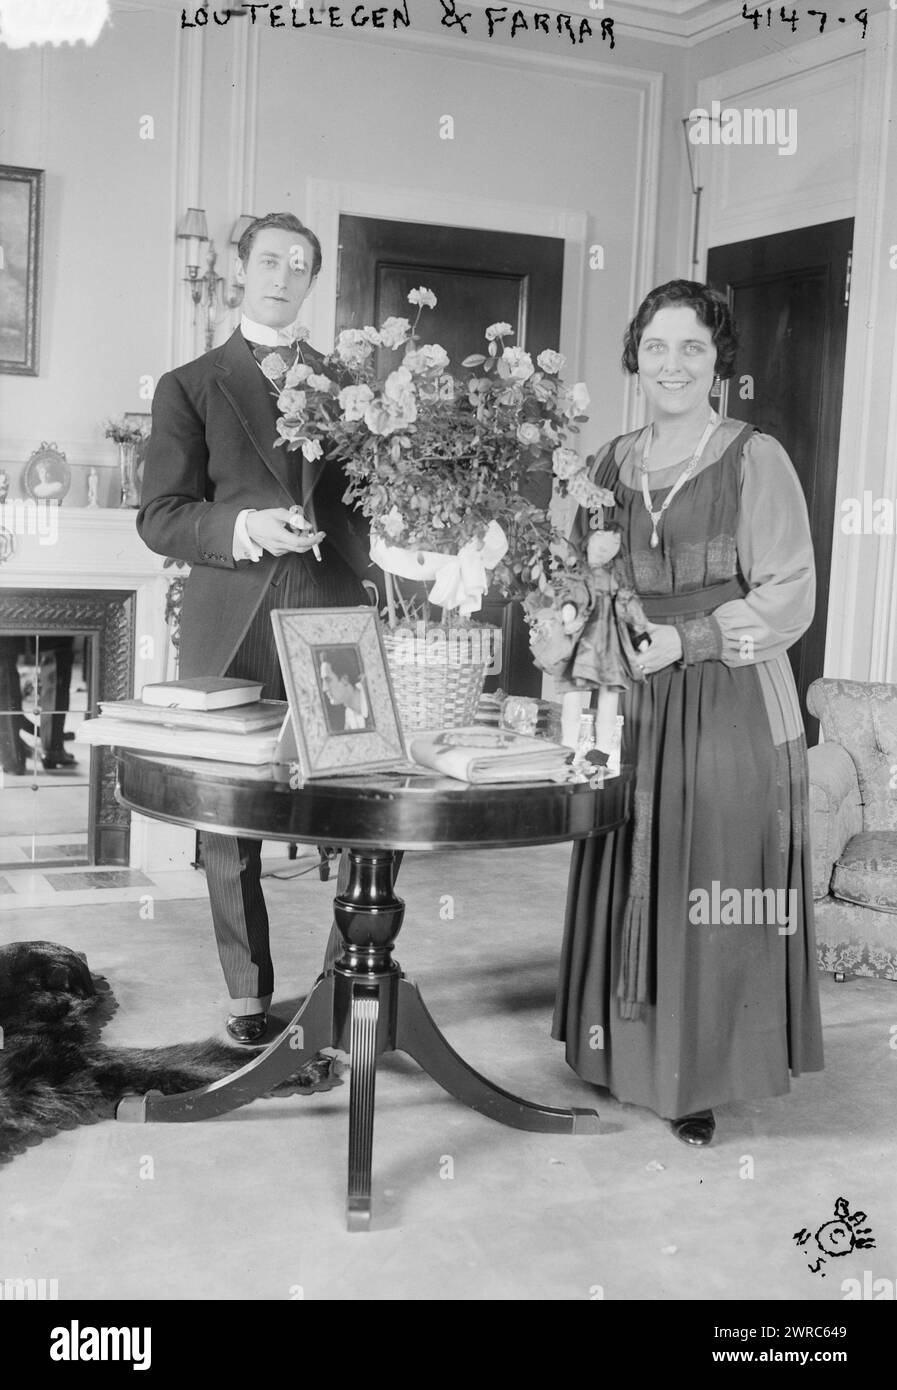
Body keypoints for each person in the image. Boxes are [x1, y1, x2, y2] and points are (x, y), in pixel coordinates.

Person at [552, 280, 823, 1146]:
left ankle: (697, 1076)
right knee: (623, 852)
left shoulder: (753, 456)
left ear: (717, 364)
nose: (672, 364)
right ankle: (614, 1057)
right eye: (657, 347)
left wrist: (693, 639)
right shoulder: (605, 463)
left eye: (692, 349)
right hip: (626, 696)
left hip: (724, 699)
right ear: (634, 356)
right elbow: (569, 580)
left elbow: (789, 593)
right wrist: (586, 606)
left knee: (706, 872)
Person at [138, 212, 374, 1045]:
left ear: (311, 281)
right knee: (230, 816)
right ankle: (247, 996)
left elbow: (366, 506)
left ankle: (347, 983)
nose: (282, 274)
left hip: (333, 610)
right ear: (240, 269)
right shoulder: (189, 384)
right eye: (269, 259)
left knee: (356, 800)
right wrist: (244, 529)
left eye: (300, 264)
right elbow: (162, 517)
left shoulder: (353, 385)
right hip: (230, 616)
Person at [319, 647, 370, 731]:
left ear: (345, 680)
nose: (324, 688)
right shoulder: (349, 716)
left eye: (328, 680)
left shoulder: (374, 696)